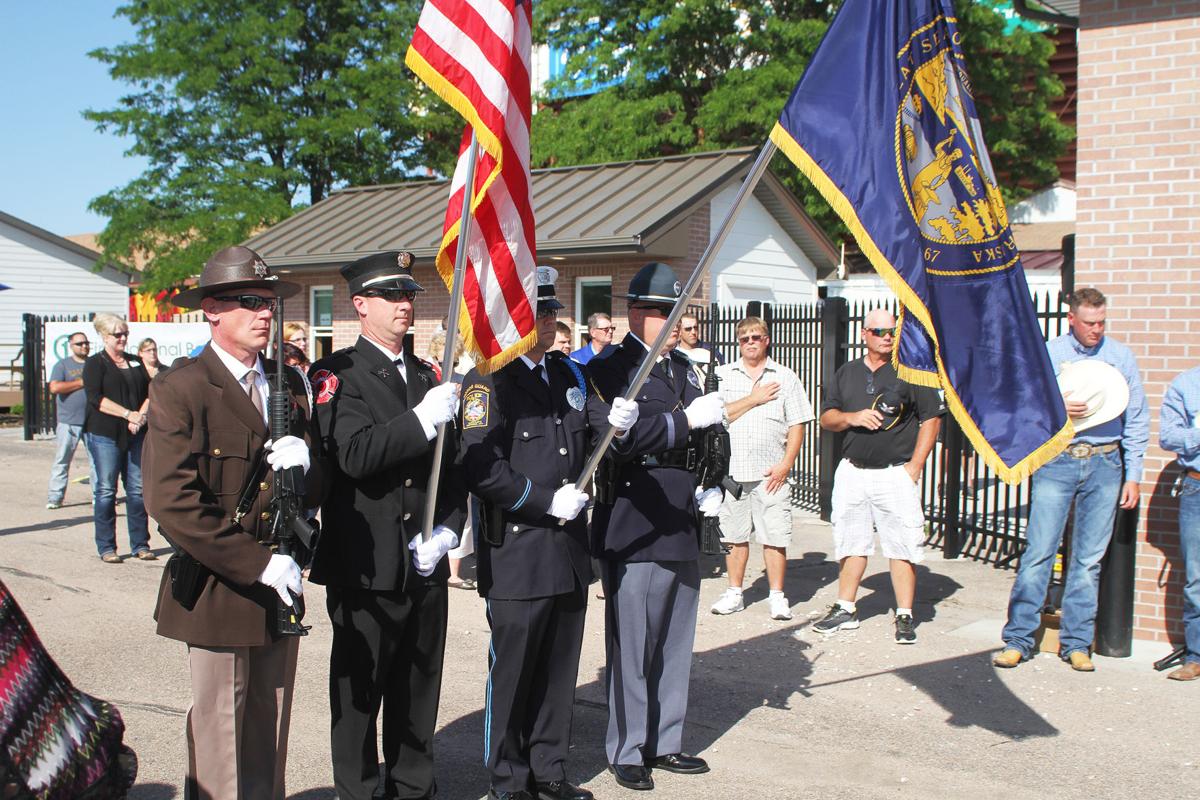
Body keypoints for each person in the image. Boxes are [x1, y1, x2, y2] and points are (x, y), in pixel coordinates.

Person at [142, 245, 323, 800]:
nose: (265, 312)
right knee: (222, 729)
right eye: (249, 301)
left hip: (280, 581)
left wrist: (310, 467)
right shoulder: (184, 387)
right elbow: (171, 500)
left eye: (269, 302)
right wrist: (258, 563)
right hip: (221, 584)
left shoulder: (287, 385)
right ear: (212, 311)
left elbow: (308, 490)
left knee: (269, 728)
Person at [460, 267, 636, 800]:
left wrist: (619, 423)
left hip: (566, 552)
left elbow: (596, 434)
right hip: (517, 549)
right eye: (536, 311)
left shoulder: (569, 377)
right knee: (513, 673)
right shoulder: (486, 381)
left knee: (559, 672)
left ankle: (549, 769)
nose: (546, 319)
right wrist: (540, 500)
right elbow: (480, 467)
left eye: (550, 311)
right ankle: (508, 779)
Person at [308, 250, 465, 800]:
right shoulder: (336, 373)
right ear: (360, 305)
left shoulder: (427, 375)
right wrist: (420, 420)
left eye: (408, 295)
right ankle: (357, 790)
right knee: (358, 695)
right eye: (391, 296)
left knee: (419, 688)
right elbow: (352, 454)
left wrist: (448, 528)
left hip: (423, 561)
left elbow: (453, 466)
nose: (404, 305)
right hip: (366, 561)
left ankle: (414, 788)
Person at [587, 262, 726, 792]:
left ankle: (665, 741)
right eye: (659, 312)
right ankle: (626, 747)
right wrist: (685, 423)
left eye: (675, 313)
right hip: (634, 517)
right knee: (633, 645)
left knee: (673, 640)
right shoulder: (609, 370)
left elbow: (705, 434)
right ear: (634, 312)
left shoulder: (682, 370)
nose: (669, 323)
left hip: (679, 516)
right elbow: (618, 440)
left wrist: (713, 475)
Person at [994, 288, 1148, 672]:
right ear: (1072, 320)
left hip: (1106, 461)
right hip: (1058, 460)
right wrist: (1055, 405)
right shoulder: (1051, 353)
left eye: (1102, 322)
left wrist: (1135, 475)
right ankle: (1018, 639)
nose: (1097, 329)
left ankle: (1077, 643)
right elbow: (1022, 403)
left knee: (1088, 561)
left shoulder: (1119, 357)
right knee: (1039, 553)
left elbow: (1138, 419)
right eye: (1090, 323)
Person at [815, 308, 944, 644]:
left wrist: (915, 465)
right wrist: (851, 417)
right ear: (864, 333)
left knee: (902, 543)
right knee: (850, 539)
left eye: (891, 332)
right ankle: (846, 607)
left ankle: (904, 614)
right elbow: (826, 418)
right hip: (853, 470)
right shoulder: (847, 372)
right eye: (879, 332)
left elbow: (931, 419)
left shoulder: (912, 372)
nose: (886, 337)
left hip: (893, 472)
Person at [709, 316, 814, 621]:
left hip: (771, 472)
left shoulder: (785, 377)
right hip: (733, 471)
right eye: (744, 338)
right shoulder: (723, 375)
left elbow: (798, 423)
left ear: (767, 339)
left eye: (756, 337)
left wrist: (786, 464)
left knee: (774, 536)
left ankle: (777, 595)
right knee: (734, 535)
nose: (751, 342)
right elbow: (716, 415)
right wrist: (753, 399)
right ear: (738, 342)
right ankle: (735, 592)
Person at [83, 313, 153, 563]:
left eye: (125, 333)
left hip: (135, 434)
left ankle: (140, 544)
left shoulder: (135, 362)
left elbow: (150, 391)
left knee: (136, 490)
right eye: (117, 334)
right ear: (104, 336)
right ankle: (106, 546)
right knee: (105, 490)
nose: (123, 338)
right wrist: (127, 415)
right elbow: (95, 398)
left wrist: (140, 417)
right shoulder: (95, 363)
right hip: (105, 433)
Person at [427, 330, 476, 591]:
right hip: (430, 450)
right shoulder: (425, 376)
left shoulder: (462, 380)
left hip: (456, 450)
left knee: (460, 510)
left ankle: (454, 570)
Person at [1160, 365, 1200, 681]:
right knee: (1196, 580)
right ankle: (1196, 656)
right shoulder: (1186, 384)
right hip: (1196, 486)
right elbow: (1169, 436)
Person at [46, 331, 95, 509]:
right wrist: (82, 382)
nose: (84, 346)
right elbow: (55, 387)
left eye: (86, 343)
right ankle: (55, 497)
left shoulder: (95, 364)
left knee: (97, 462)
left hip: (92, 421)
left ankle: (100, 496)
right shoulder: (63, 365)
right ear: (71, 346)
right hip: (69, 421)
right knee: (62, 459)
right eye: (79, 344)